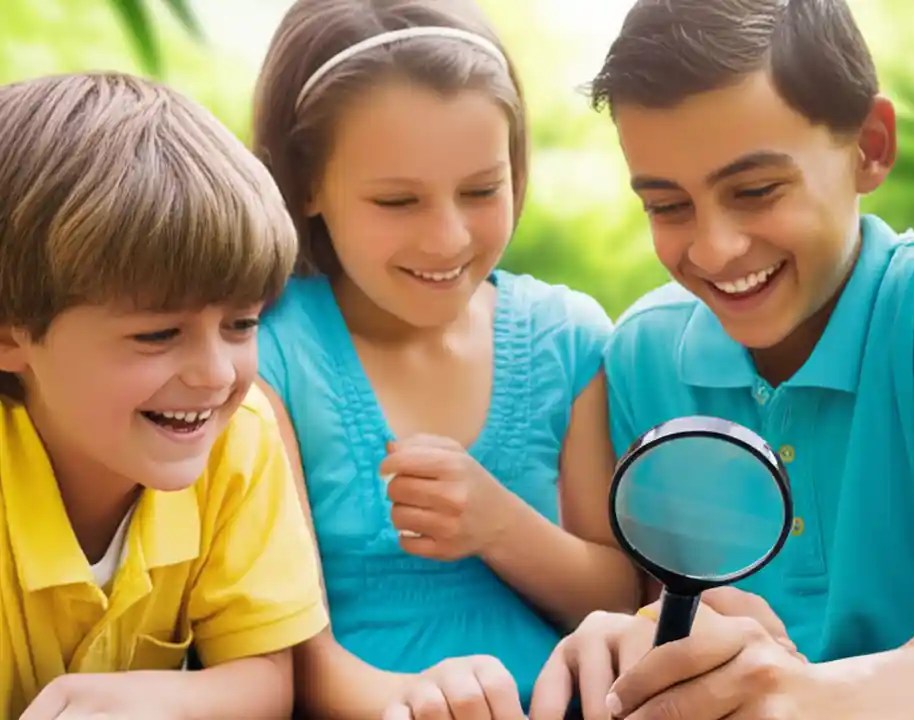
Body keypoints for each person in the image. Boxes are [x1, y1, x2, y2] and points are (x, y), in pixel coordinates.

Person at [529, 0, 914, 718]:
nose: (714, 248)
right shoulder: (642, 355)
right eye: (668, 206)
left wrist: (801, 699)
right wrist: (635, 637)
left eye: (756, 191)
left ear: (869, 147)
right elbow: (665, 614)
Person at [251, 0, 642, 716]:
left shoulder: (569, 336)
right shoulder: (268, 351)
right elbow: (283, 655)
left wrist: (502, 525)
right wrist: (414, 706)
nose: (447, 238)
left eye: (482, 190)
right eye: (398, 201)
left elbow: (619, 596)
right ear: (307, 185)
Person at [0, 72, 326, 718]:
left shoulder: (239, 437)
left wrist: (155, 702)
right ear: (12, 338)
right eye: (157, 334)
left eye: (241, 324)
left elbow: (264, 676)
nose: (216, 374)